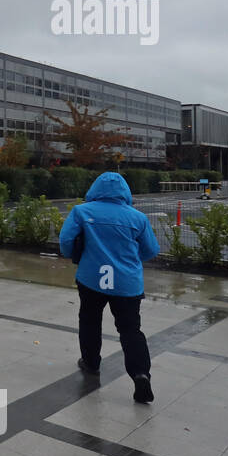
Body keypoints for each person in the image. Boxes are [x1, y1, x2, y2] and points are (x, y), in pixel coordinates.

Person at [58, 171, 160, 404]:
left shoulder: (81, 212)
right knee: (131, 329)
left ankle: (91, 363)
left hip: (91, 277)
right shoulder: (138, 218)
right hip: (127, 283)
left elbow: (65, 241)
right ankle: (140, 374)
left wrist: (75, 255)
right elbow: (150, 250)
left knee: (90, 319)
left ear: (95, 189)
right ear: (124, 191)